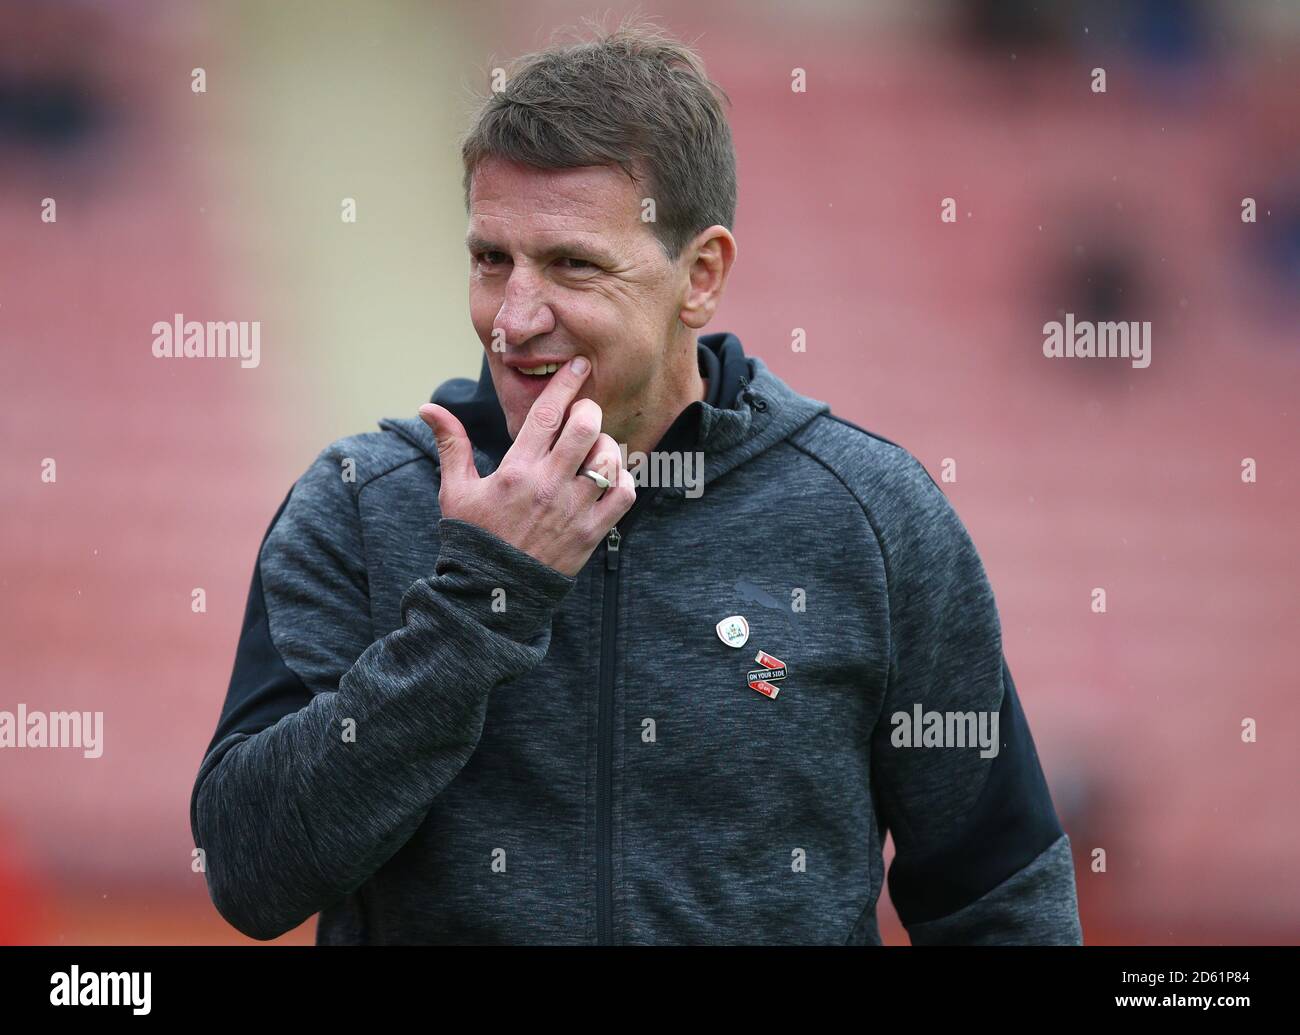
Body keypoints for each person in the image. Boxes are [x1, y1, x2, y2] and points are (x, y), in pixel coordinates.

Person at [190, 14, 1082, 946]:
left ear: (700, 275)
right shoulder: (359, 503)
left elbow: (1002, 901)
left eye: (572, 264)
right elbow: (250, 874)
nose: (514, 318)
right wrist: (476, 609)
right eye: (492, 259)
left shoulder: (874, 517)